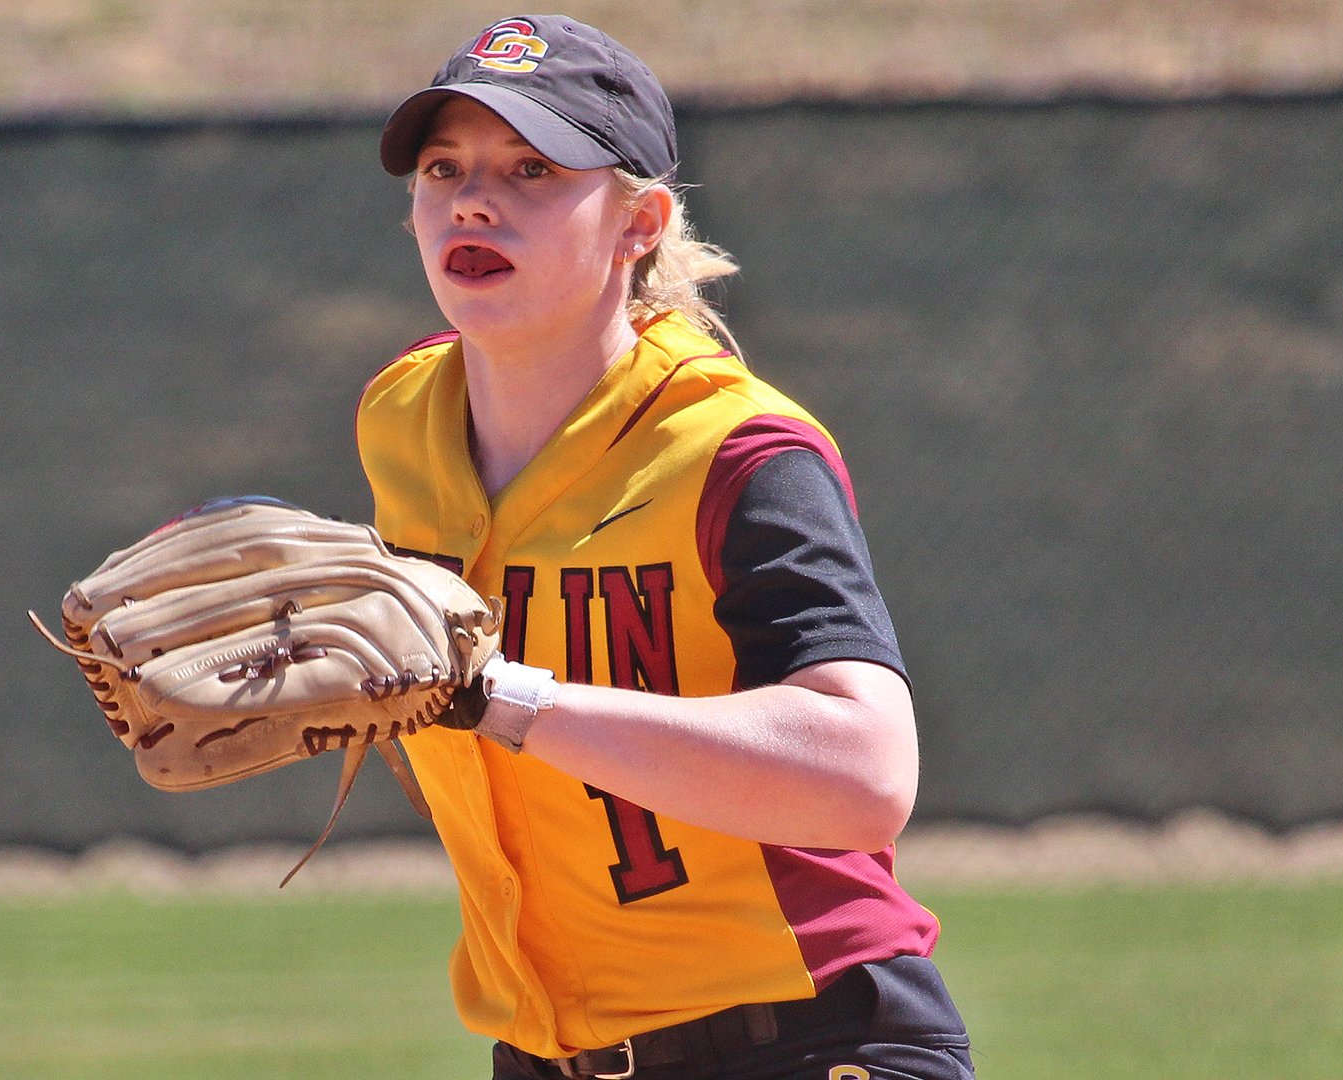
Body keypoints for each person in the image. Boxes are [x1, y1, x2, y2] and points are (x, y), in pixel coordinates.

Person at [358, 15, 974, 1079]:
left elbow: (866, 773)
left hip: (805, 1035)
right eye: (443, 167)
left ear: (639, 222)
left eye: (534, 168)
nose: (473, 200)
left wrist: (504, 699)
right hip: (548, 1052)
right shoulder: (402, 416)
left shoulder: (733, 448)